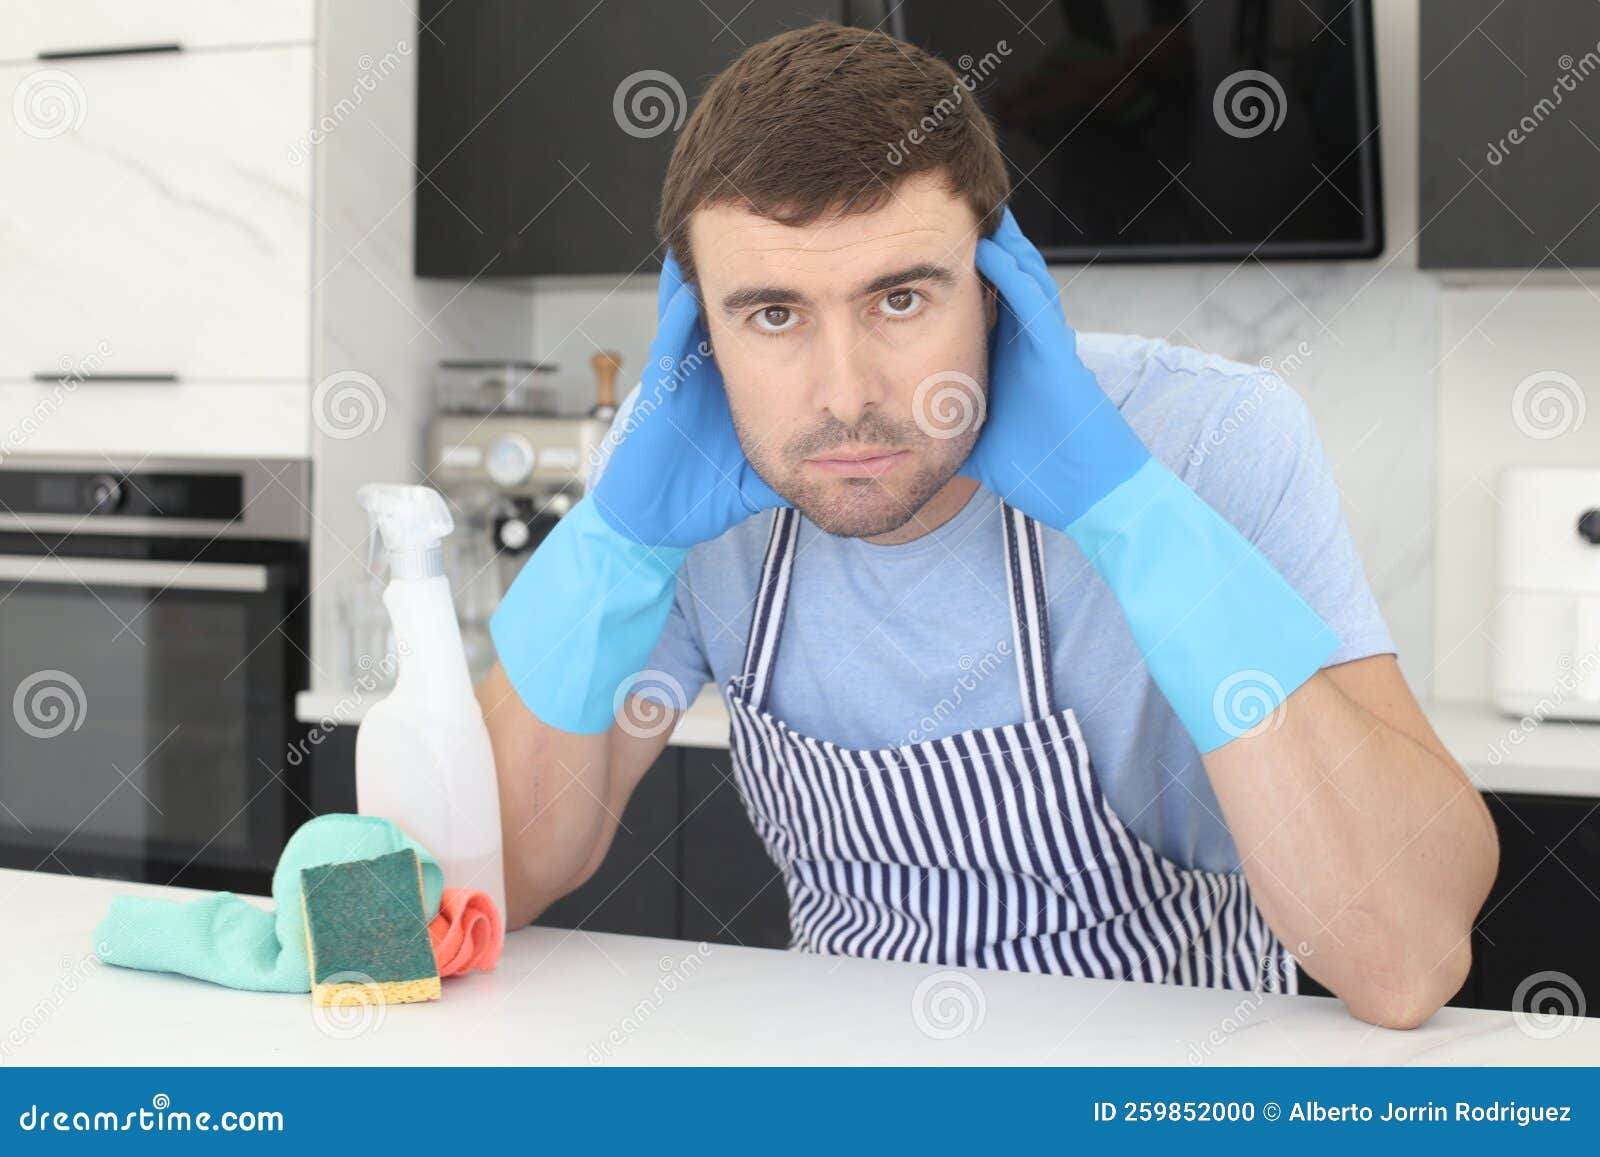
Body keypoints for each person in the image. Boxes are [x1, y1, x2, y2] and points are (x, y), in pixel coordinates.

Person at [479, 22, 1498, 1029]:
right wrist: (615, 544)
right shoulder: (683, 468)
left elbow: (1403, 960)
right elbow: (502, 874)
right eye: (773, 314)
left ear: (998, 286)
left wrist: (1129, 513)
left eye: (901, 296)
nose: (845, 395)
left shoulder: (1205, 436)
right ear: (701, 323)